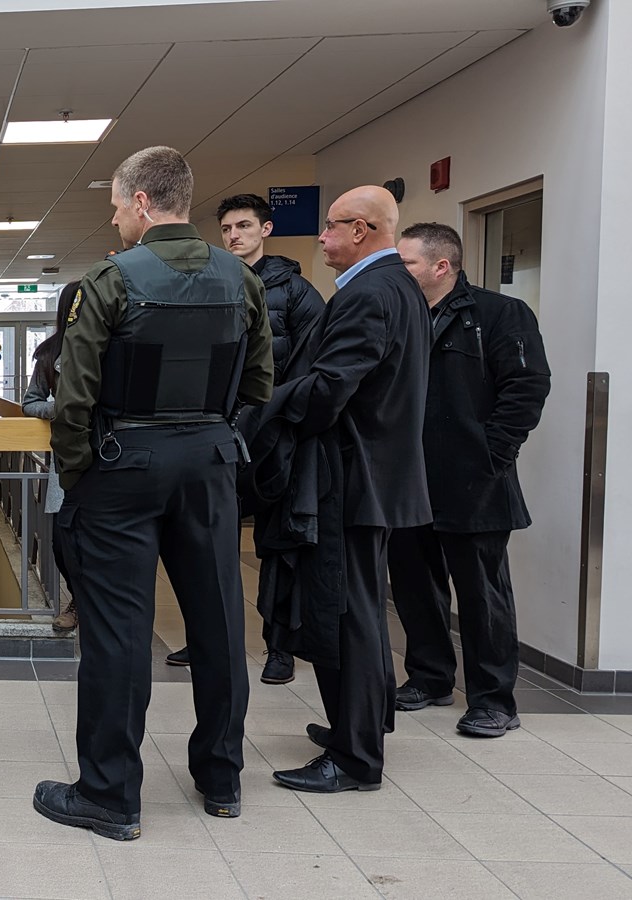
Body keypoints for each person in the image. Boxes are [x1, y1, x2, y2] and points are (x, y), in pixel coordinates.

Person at [35, 146, 273, 840]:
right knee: (221, 623)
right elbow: (258, 385)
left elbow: (73, 401)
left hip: (124, 465)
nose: (113, 220)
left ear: (142, 202)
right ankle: (222, 778)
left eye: (114, 206)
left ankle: (111, 795)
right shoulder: (241, 279)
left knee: (117, 634)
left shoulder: (109, 281)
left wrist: (81, 477)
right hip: (209, 463)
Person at [258, 186, 431, 793]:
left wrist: (266, 408)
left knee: (347, 613)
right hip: (377, 477)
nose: (322, 238)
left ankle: (355, 758)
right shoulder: (397, 288)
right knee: (362, 609)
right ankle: (361, 726)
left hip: (350, 478)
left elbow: (331, 389)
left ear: (361, 230)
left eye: (330, 227)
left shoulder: (369, 293)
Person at [388, 222, 550, 737]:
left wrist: (491, 455)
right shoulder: (402, 316)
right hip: (409, 480)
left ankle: (493, 700)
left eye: (407, 262)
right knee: (415, 585)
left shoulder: (500, 314)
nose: (398, 271)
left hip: (475, 481)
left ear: (442, 266)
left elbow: (526, 388)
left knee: (482, 594)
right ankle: (430, 678)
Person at [164, 193, 327, 683]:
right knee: (208, 544)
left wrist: (280, 416)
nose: (234, 235)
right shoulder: (207, 285)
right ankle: (207, 639)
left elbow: (310, 366)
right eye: (228, 228)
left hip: (276, 435)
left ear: (266, 229)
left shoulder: (297, 293)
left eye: (244, 226)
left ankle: (280, 648)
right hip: (216, 431)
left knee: (278, 545)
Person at [21, 282, 80, 633]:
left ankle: (87, 605)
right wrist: (59, 409)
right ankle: (80, 598)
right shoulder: (49, 354)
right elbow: (30, 402)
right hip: (66, 461)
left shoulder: (115, 347)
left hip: (111, 461)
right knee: (62, 543)